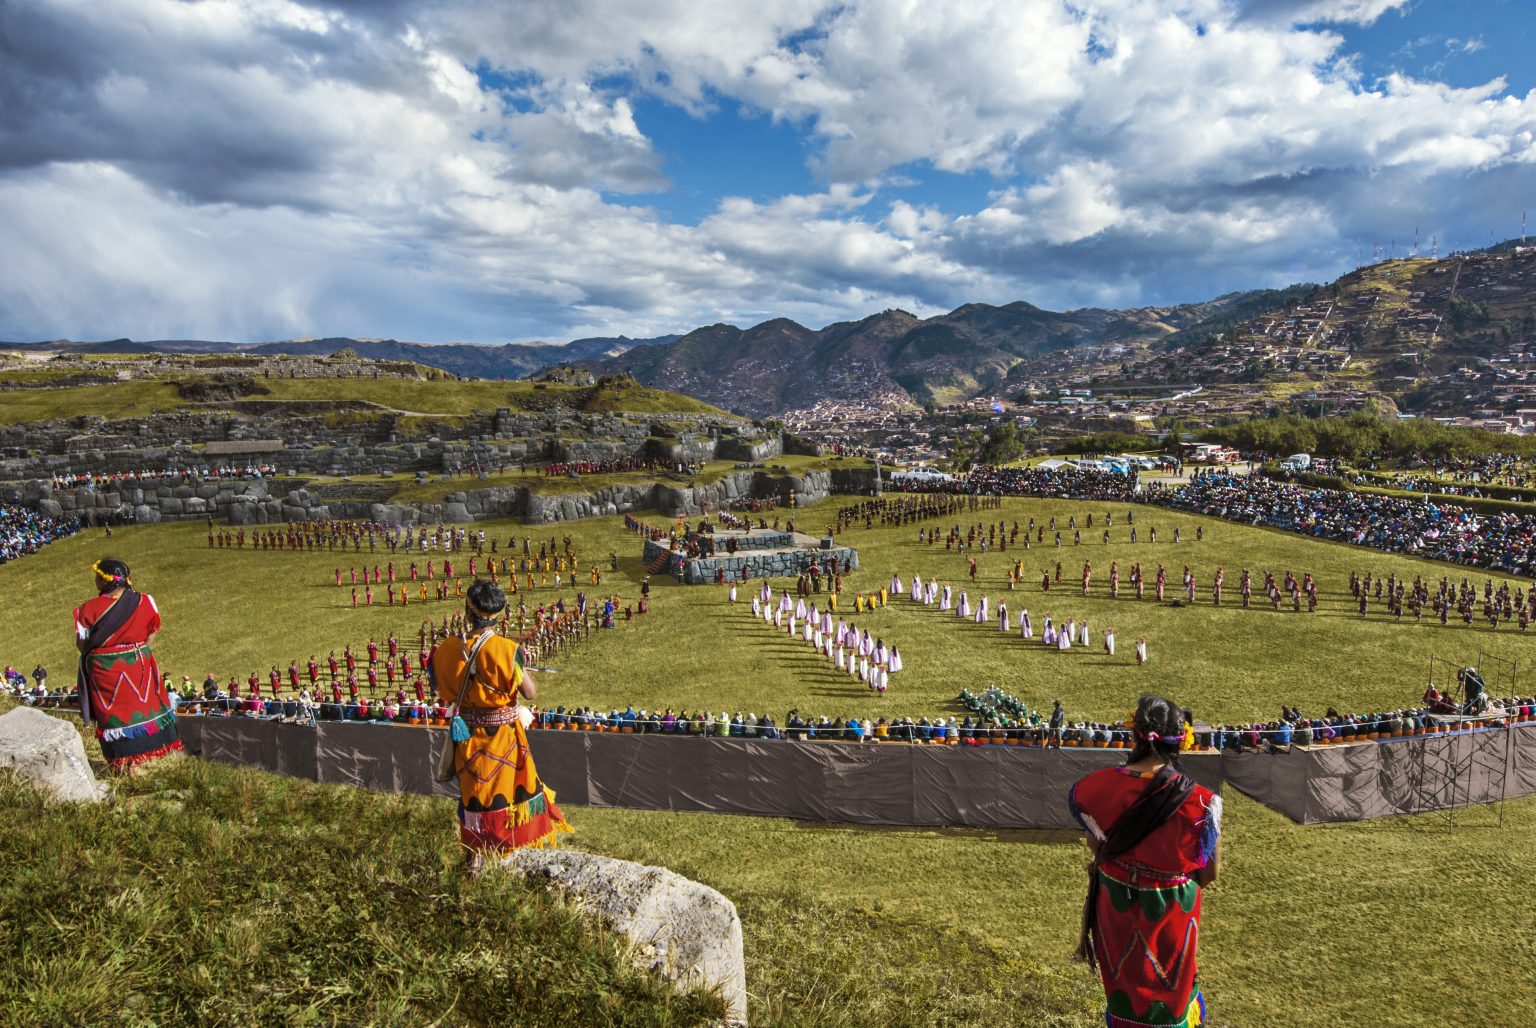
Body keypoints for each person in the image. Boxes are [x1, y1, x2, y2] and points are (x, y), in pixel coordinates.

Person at [1070, 695, 1221, 1028]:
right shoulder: (1202, 803)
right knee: (1172, 992)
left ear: (1134, 733)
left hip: (1116, 905)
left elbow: (1096, 845)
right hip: (1171, 912)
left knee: (1124, 987)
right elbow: (1208, 874)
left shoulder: (1094, 788)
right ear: (1181, 739)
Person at [429, 580, 571, 873]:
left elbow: (440, 688)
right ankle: (506, 844)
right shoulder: (508, 650)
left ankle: (474, 857)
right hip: (503, 738)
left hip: (466, 735)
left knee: (472, 795)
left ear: (468, 612)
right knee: (507, 792)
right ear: (498, 614)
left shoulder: (445, 650)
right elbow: (530, 693)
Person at [72, 558, 182, 772]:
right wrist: (137, 650)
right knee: (144, 709)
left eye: (97, 577)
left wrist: (104, 655)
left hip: (104, 672)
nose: (95, 580)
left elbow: (82, 643)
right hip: (138, 664)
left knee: (113, 717)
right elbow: (151, 633)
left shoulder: (86, 610)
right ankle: (147, 760)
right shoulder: (146, 601)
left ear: (105, 581)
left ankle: (121, 764)